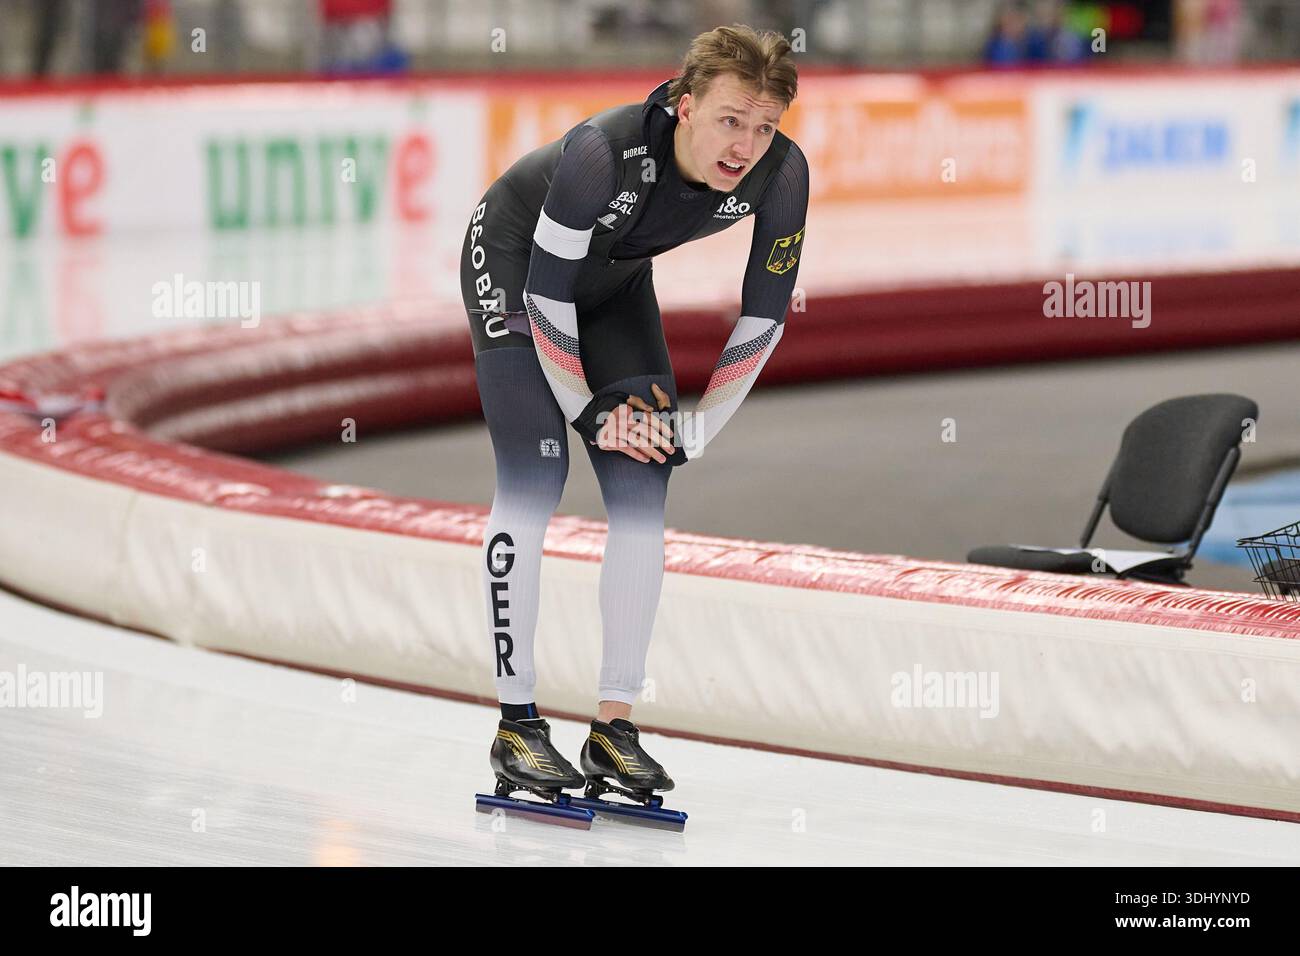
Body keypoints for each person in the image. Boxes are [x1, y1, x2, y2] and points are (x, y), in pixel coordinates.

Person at [460, 24, 808, 819]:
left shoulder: (783, 175)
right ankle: (517, 723)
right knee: (536, 473)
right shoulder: (600, 152)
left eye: (764, 126)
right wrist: (588, 413)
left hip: (614, 289)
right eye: (729, 120)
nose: (746, 145)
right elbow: (546, 299)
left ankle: (612, 725)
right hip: (518, 269)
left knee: (645, 481)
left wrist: (694, 431)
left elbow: (763, 319)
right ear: (684, 108)